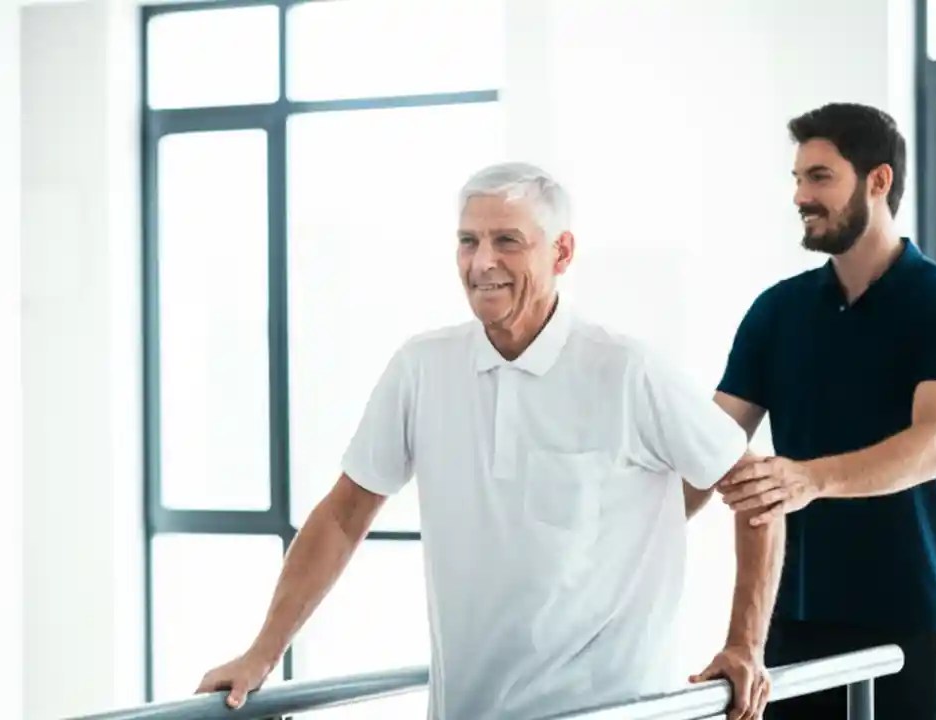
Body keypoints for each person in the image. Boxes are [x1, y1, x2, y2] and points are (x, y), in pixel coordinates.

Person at [195, 162, 785, 720]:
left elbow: (759, 496)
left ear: (562, 252)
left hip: (609, 708)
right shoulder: (422, 367)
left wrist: (744, 644)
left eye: (507, 241)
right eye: (467, 241)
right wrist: (262, 652)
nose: (482, 263)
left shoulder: (626, 368)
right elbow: (345, 514)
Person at [713, 103, 936, 719]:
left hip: (915, 618)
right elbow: (708, 442)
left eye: (819, 177)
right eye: (796, 179)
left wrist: (808, 478)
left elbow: (933, 446)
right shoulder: (776, 313)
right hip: (798, 619)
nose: (800, 196)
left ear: (879, 180)